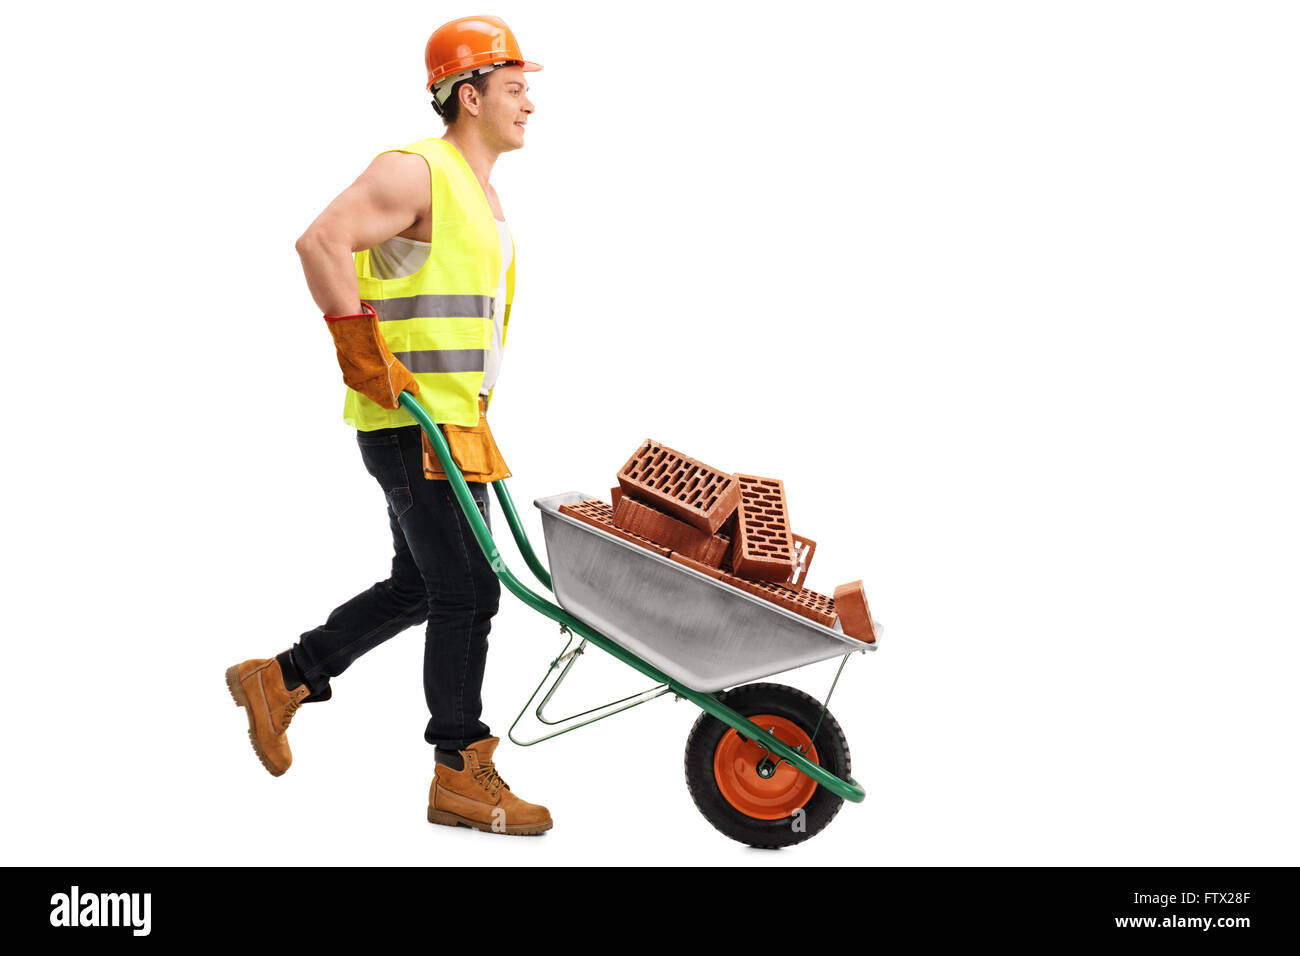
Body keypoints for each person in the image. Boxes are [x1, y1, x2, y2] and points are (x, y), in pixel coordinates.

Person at [225, 15, 551, 836]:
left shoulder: (482, 195)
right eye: (513, 89)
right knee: (468, 591)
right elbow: (320, 241)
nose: (529, 105)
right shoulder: (416, 171)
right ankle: (459, 769)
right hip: (409, 424)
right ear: (468, 95)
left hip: (454, 427)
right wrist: (360, 354)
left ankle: (283, 677)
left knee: (419, 586)